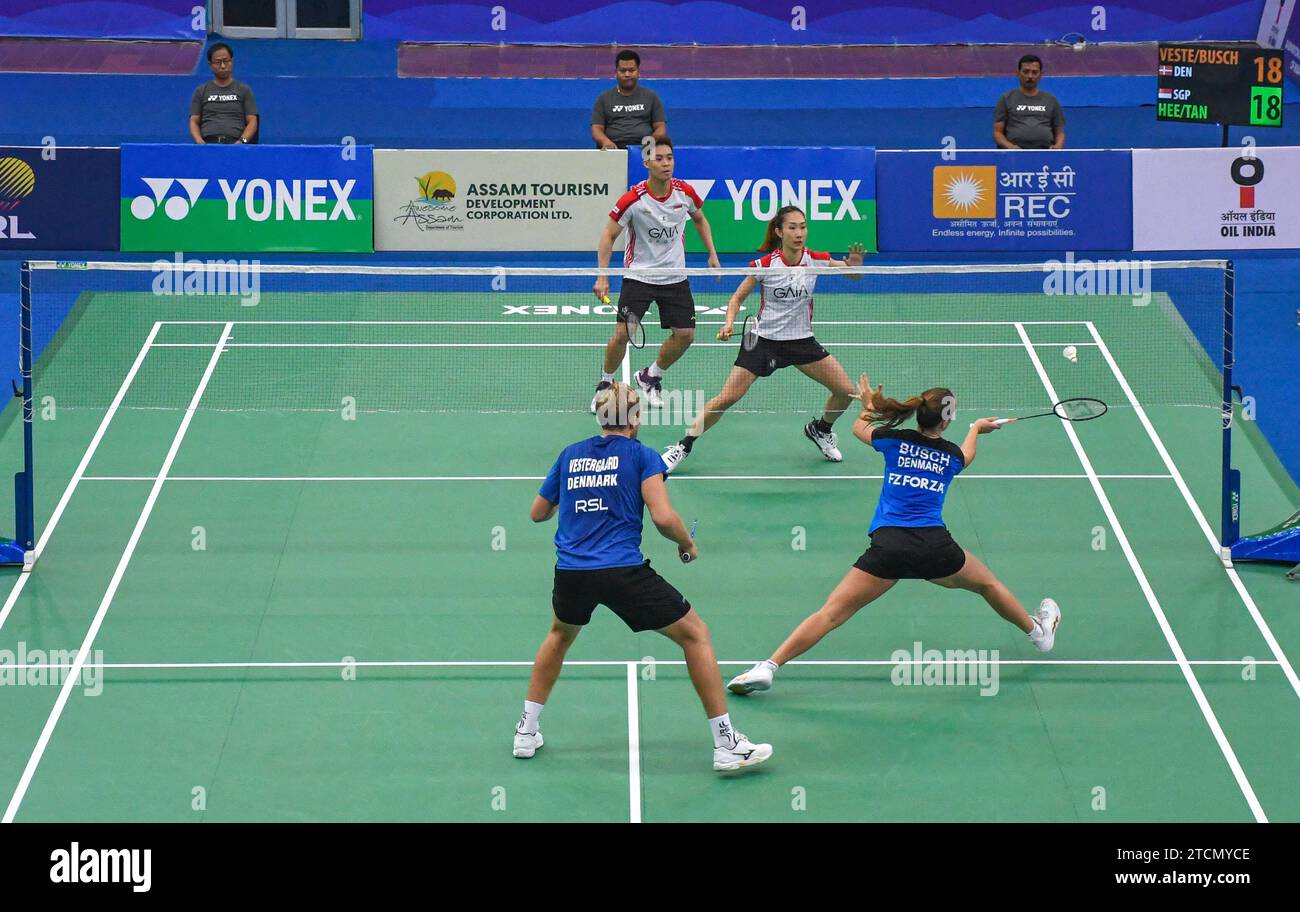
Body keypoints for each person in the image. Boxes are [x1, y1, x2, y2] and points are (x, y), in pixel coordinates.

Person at [727, 374, 1062, 695]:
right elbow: (968, 454)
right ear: (946, 421)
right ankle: (1038, 633)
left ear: (920, 413)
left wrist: (869, 406)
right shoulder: (952, 456)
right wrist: (976, 428)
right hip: (935, 548)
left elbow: (860, 427)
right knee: (987, 585)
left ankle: (768, 667)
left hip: (888, 550)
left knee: (830, 613)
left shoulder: (893, 440)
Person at [515, 382, 772, 771]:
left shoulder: (570, 455)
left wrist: (576, 498)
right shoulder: (642, 456)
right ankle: (726, 745)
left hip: (572, 572)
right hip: (622, 571)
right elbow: (664, 517)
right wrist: (687, 543)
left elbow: (538, 512)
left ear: (601, 417)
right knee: (695, 635)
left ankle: (525, 731)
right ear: (635, 419)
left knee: (559, 636)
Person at [661, 206, 863, 471]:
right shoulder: (766, 265)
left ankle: (820, 429)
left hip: (801, 341)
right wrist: (729, 323)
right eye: (792, 227)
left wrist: (856, 265)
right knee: (727, 398)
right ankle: (683, 446)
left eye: (802, 226)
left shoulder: (816, 260)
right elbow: (736, 298)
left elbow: (853, 274)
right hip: (763, 341)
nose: (799, 233)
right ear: (779, 232)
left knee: (845, 391)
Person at [591, 136, 720, 411]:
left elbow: (699, 218)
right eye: (659, 159)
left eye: (669, 158)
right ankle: (605, 383)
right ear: (647, 162)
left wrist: (712, 253)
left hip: (675, 276)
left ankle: (651, 376)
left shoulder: (684, 192)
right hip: (640, 276)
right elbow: (608, 235)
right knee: (623, 333)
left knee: (686, 334)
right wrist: (602, 275)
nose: (666, 164)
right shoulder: (633, 200)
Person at [591, 50, 667, 150]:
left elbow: (661, 128)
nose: (627, 74)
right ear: (616, 73)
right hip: (613, 149)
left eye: (631, 70)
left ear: (638, 72)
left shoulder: (651, 97)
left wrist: (651, 141)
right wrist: (605, 142)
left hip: (645, 149)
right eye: (622, 71)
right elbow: (596, 129)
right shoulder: (603, 98)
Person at [189, 43, 258, 145]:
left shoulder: (244, 90)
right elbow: (193, 121)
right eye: (217, 62)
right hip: (208, 144)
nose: (222, 66)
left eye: (226, 61)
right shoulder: (201, 91)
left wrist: (241, 142)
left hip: (236, 144)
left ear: (232, 61)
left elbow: (252, 121)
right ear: (210, 65)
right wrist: (200, 143)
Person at [993, 55, 1065, 150]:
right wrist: (1011, 147)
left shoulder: (1051, 100)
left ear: (1041, 75)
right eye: (1026, 72)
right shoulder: (1006, 98)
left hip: (1045, 153)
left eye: (1034, 72)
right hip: (1014, 155)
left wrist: (1057, 147)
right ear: (1018, 73)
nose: (1030, 76)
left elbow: (1060, 133)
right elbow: (997, 133)